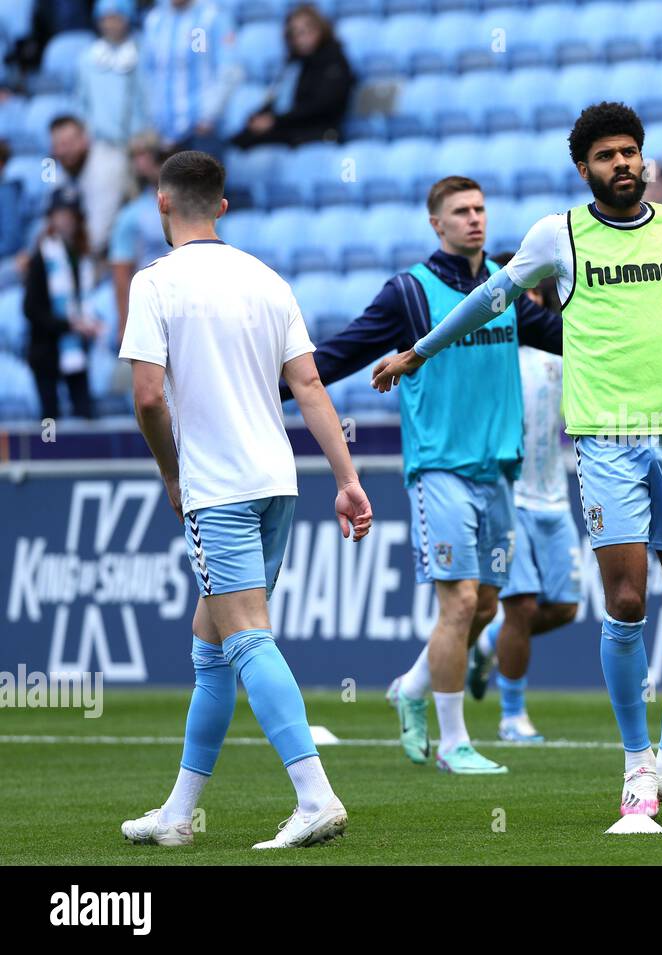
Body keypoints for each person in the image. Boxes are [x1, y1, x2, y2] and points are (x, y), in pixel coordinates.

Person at [370, 102, 662, 822]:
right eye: (606, 156)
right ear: (584, 168)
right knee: (625, 600)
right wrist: (419, 350)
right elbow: (487, 299)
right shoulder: (557, 235)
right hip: (607, 439)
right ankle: (634, 769)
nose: (622, 164)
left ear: (643, 159)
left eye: (630, 152)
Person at [118, 150, 373, 848]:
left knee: (248, 634)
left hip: (218, 488)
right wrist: (348, 479)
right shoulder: (268, 279)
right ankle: (177, 813)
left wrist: (173, 473)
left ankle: (315, 794)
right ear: (222, 206)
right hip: (276, 482)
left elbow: (146, 397)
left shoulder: (155, 282)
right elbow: (312, 387)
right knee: (213, 645)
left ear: (162, 204)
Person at [293, 177, 563, 774]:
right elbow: (340, 355)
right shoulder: (408, 292)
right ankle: (453, 743)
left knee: (488, 605)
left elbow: (565, 338)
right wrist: (273, 388)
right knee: (461, 602)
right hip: (439, 467)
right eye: (460, 211)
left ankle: (411, 687)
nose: (474, 219)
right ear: (436, 224)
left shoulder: (505, 286)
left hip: (500, 468)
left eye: (480, 209)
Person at [466, 267, 580, 744]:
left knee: (564, 608)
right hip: (510, 497)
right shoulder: (494, 354)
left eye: (533, 291)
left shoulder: (564, 351)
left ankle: (487, 644)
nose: (526, 299)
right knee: (522, 606)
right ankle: (512, 716)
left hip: (555, 495)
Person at [24, 186, 101, 421]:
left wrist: (88, 324)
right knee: (50, 420)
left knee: (86, 413)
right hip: (47, 351)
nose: (66, 221)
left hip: (77, 350)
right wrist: (70, 325)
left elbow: (84, 300)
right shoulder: (41, 257)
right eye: (60, 214)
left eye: (71, 215)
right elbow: (31, 309)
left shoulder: (82, 257)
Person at [230, 4, 353, 149]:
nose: (301, 39)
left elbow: (321, 105)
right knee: (239, 140)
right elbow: (276, 99)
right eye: (295, 34)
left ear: (320, 30)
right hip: (289, 126)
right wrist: (257, 117)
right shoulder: (293, 65)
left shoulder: (333, 61)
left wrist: (275, 121)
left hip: (316, 130)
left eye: (306, 32)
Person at [139, 0, 240, 154]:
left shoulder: (212, 16)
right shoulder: (154, 19)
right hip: (163, 133)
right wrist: (151, 119)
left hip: (200, 130)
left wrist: (209, 115)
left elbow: (229, 70)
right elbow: (147, 73)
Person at [109, 133, 170, 348]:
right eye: (138, 156)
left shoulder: (194, 206)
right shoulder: (131, 215)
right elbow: (121, 272)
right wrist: (125, 325)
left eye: (153, 155)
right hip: (151, 308)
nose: (147, 162)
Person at [76, 0, 150, 158]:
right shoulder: (88, 57)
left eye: (116, 18)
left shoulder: (143, 54)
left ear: (128, 18)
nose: (111, 24)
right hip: (101, 143)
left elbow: (149, 97)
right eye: (106, 18)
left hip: (139, 142)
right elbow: (82, 100)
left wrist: (145, 133)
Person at [49, 114, 130, 256]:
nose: (63, 151)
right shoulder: (57, 166)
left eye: (68, 144)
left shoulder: (106, 168)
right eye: (57, 145)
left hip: (117, 251)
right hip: (82, 246)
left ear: (85, 140)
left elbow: (98, 238)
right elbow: (49, 215)